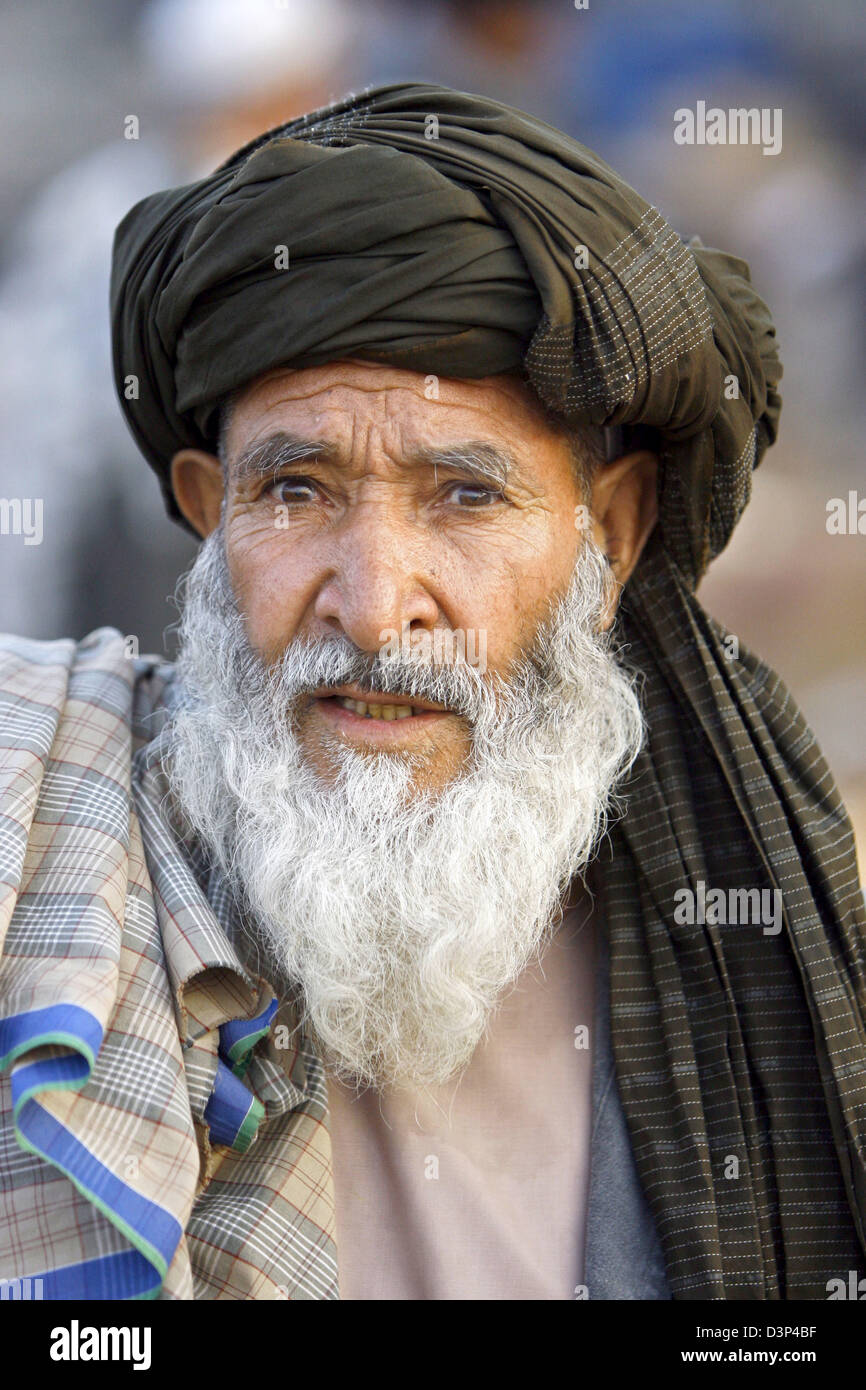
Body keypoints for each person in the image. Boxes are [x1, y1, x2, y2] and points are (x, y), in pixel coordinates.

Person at [0, 83, 863, 1302]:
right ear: (207, 515)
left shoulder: (738, 952)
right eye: (295, 491)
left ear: (607, 535)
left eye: (463, 496)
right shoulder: (40, 809)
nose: (371, 603)